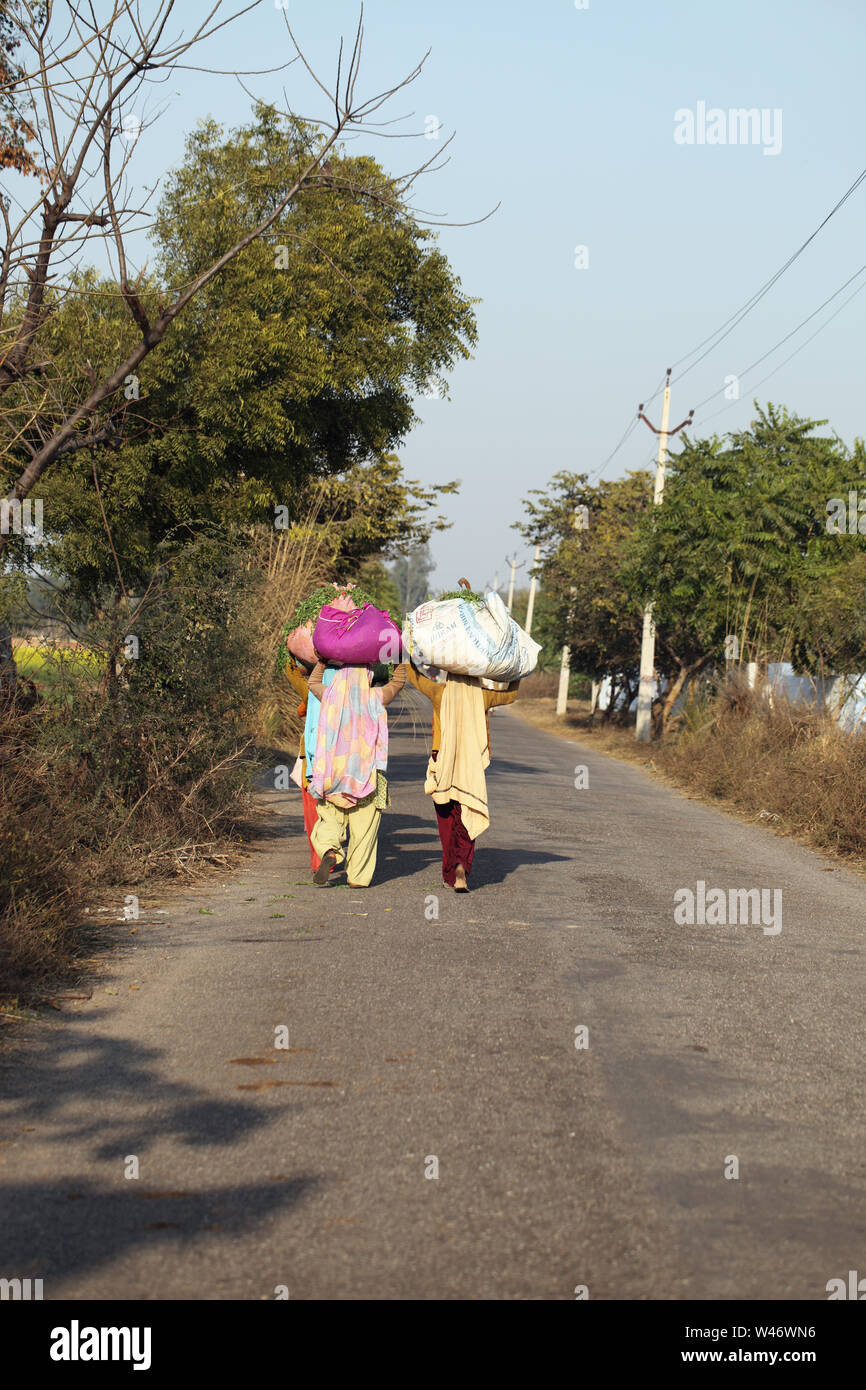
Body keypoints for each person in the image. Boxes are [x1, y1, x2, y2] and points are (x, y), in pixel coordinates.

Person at [406, 663, 518, 891]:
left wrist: (403, 648)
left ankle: (450, 867)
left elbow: (414, 677)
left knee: (446, 817)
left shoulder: (439, 692)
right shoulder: (483, 697)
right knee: (466, 811)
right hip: (470, 763)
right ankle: (461, 867)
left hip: (443, 759)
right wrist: (518, 671)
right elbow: (511, 695)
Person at [307, 657, 406, 887]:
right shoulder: (375, 697)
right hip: (366, 776)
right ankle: (358, 878)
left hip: (333, 775)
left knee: (329, 818)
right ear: (368, 676)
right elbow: (398, 682)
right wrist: (400, 660)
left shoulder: (329, 696)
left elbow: (312, 683)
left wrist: (322, 662)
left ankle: (330, 850)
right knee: (365, 827)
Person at [285, 653, 330, 874]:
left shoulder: (312, 689)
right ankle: (332, 848)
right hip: (344, 759)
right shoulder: (356, 688)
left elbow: (291, 672)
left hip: (312, 760)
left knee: (313, 810)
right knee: (335, 810)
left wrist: (290, 655)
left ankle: (320, 858)